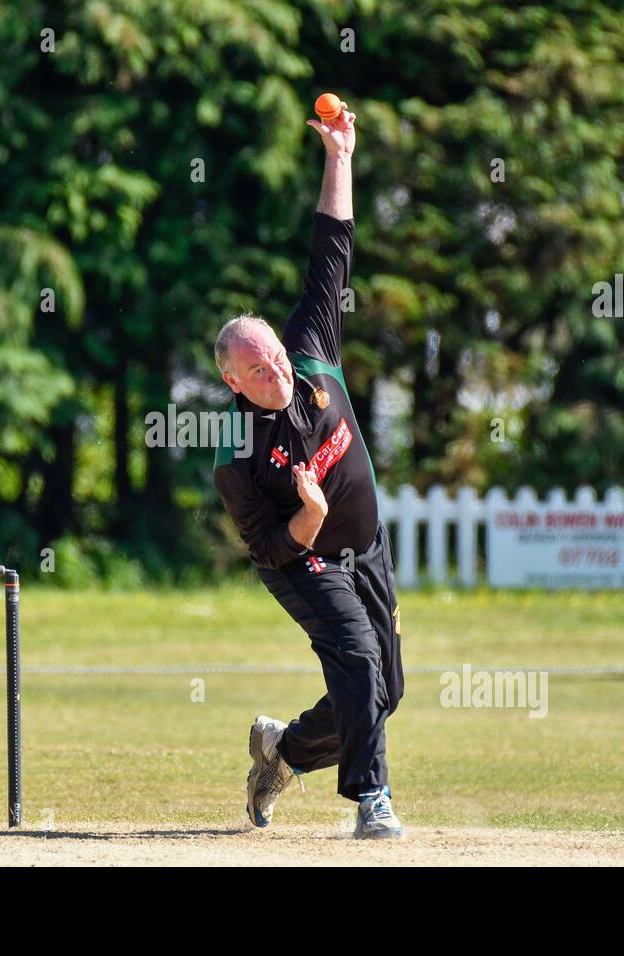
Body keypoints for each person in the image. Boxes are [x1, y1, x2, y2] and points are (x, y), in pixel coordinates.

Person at [212, 104, 405, 839]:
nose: (277, 372)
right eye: (258, 370)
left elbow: (332, 247)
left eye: (277, 356)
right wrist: (309, 519)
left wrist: (340, 156)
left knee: (383, 694)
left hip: (369, 542)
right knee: (357, 660)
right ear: (234, 381)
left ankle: (281, 750)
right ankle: (371, 800)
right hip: (304, 560)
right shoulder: (239, 455)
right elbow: (268, 549)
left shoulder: (312, 349)